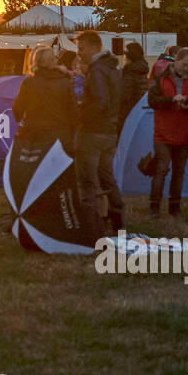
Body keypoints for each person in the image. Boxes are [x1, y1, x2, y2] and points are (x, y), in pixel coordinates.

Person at [2, 45, 91, 235]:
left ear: (35, 62)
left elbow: (17, 110)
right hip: (62, 140)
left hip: (37, 139)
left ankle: (33, 216)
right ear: (53, 62)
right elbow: (74, 114)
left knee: (34, 180)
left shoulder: (29, 83)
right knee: (61, 182)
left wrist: (26, 120)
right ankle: (61, 218)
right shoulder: (65, 83)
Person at [73, 30, 125, 233]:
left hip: (94, 132)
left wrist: (82, 114)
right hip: (110, 131)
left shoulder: (96, 70)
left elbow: (100, 101)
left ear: (94, 47)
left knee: (87, 182)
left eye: (81, 48)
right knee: (107, 178)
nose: (79, 53)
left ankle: (92, 228)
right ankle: (119, 223)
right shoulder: (113, 67)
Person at [146, 47, 188, 217]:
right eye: (184, 65)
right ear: (176, 60)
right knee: (161, 170)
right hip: (163, 133)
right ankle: (155, 206)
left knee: (179, 172)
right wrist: (171, 100)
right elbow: (152, 101)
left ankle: (174, 207)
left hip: (183, 134)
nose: (186, 69)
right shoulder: (160, 79)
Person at [118, 41, 149, 134]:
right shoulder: (142, 69)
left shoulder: (130, 71)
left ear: (130, 56)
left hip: (128, 111)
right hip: (139, 109)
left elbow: (124, 94)